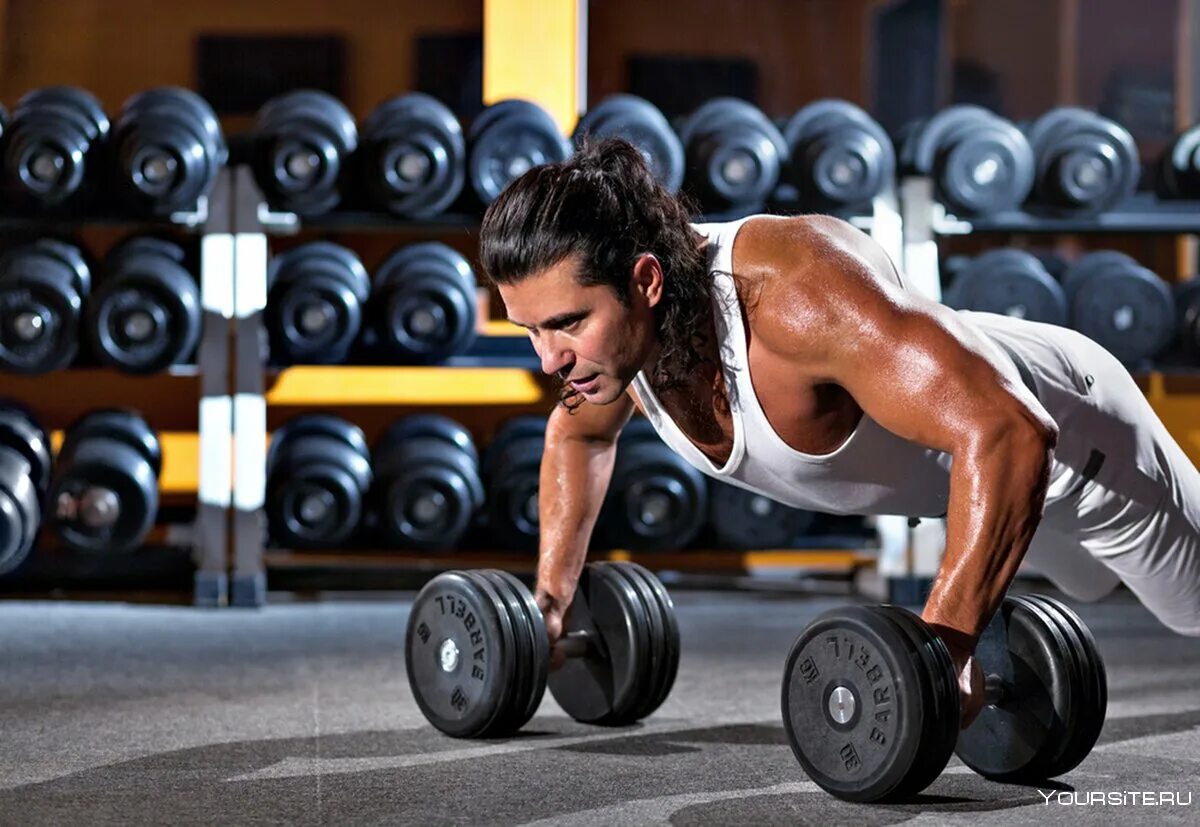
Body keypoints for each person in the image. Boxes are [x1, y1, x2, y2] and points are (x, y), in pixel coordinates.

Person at [477, 138, 1200, 726]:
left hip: (1075, 447)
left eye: (567, 323)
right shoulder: (617, 346)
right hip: (975, 491)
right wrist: (551, 600)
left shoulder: (796, 293)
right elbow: (579, 438)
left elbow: (1008, 429)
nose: (549, 359)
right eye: (531, 330)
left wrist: (940, 650)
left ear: (646, 279)